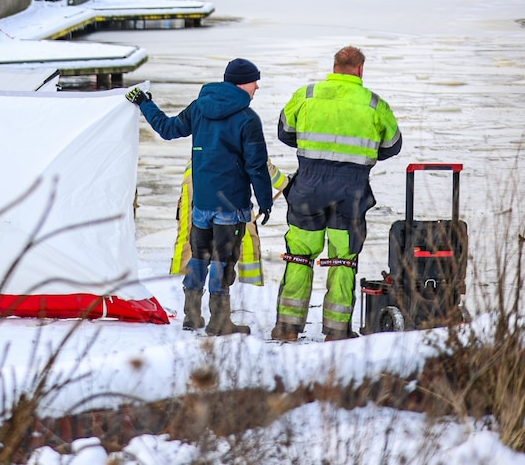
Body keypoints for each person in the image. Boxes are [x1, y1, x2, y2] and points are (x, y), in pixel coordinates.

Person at [128, 58, 274, 335]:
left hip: (202, 203)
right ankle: (219, 321)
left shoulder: (199, 107)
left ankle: (192, 316)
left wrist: (145, 103)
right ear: (242, 83)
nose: (257, 87)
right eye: (254, 81)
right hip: (231, 204)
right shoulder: (247, 118)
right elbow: (256, 166)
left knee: (198, 257)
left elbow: (168, 129)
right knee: (222, 261)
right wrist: (265, 201)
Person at [270, 46, 402, 342]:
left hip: (308, 188)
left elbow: (285, 132)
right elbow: (392, 145)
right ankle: (336, 331)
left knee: (299, 256)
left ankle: (287, 328)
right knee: (343, 259)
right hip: (350, 194)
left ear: (334, 67)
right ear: (360, 70)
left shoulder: (307, 94)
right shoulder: (374, 104)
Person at [171, 159, 287, 289]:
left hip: (196, 176)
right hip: (227, 181)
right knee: (247, 236)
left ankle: (177, 286)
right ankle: (249, 288)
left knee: (188, 234)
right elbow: (259, 163)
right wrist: (288, 184)